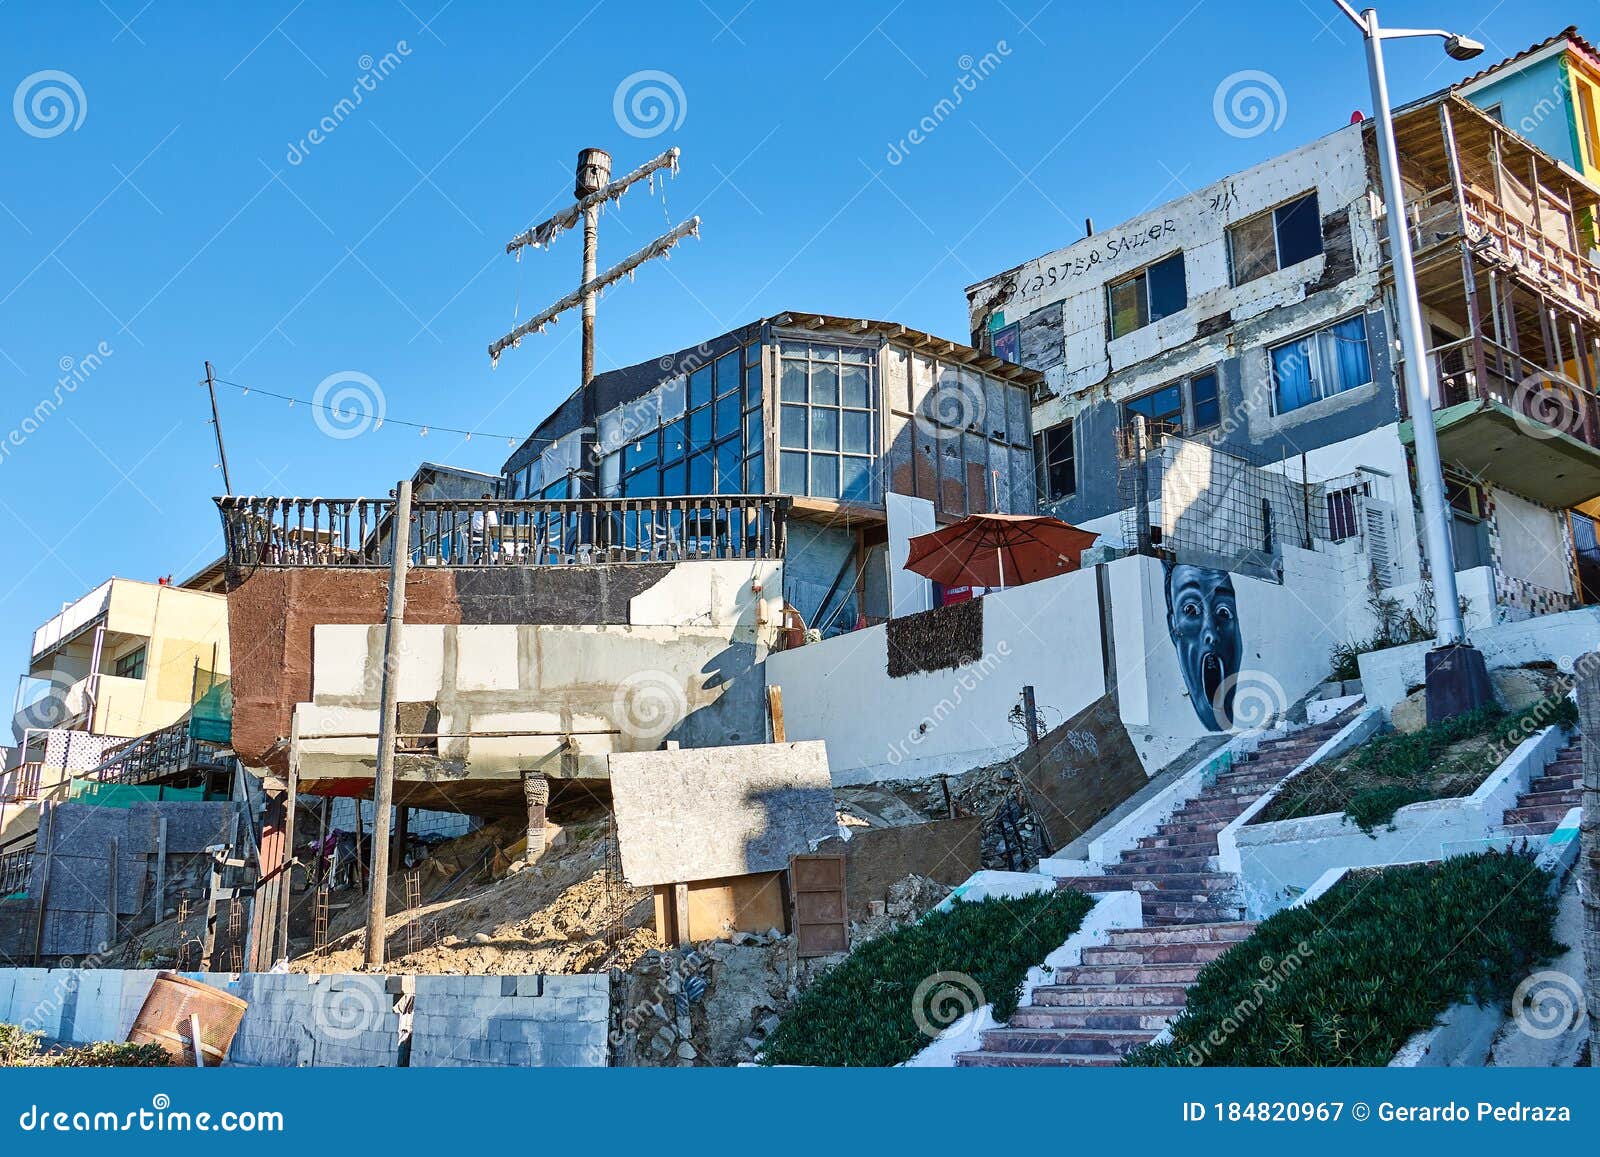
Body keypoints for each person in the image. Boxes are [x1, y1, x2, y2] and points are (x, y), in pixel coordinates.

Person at [469, 492, 499, 560]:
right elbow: (494, 524)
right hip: (483, 535)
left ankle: (474, 562)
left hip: (473, 535)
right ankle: (490, 562)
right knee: (489, 546)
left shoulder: (476, 509)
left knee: (475, 552)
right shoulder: (490, 510)